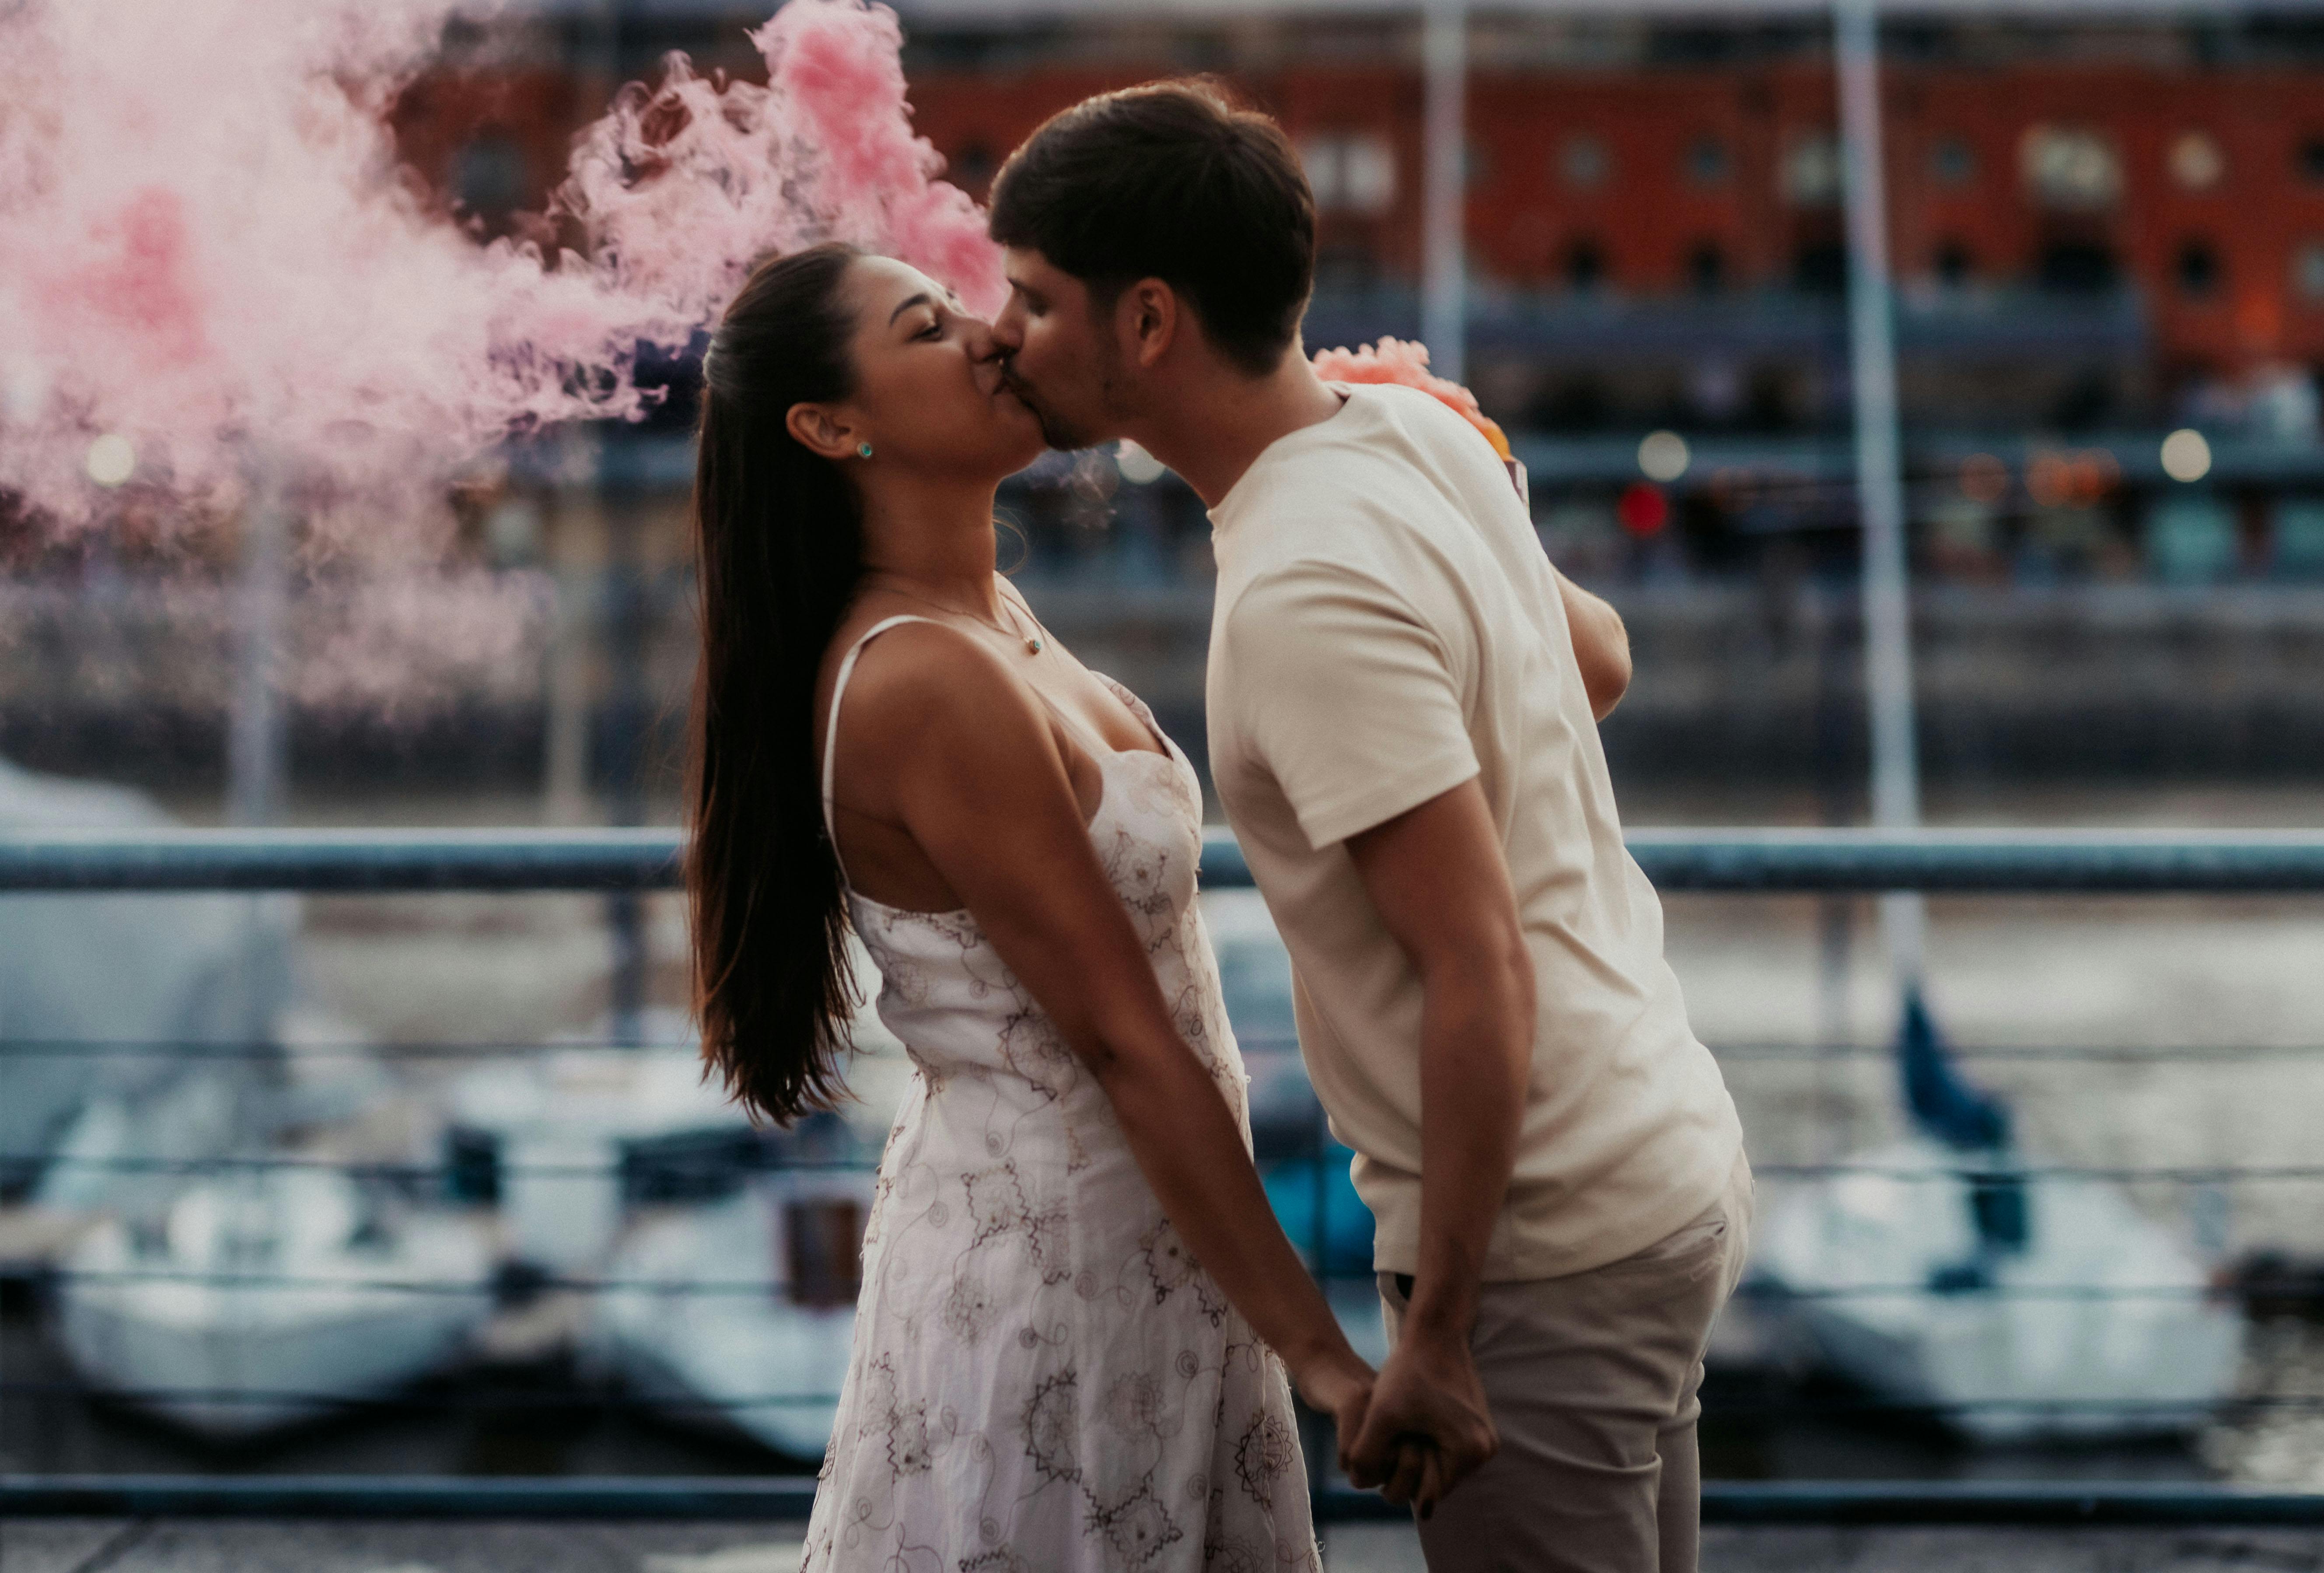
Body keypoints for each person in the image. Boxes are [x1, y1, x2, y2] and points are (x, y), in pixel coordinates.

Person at [986, 82, 1752, 1573]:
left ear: (1147, 324)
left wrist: (1442, 1337)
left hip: (1548, 1242)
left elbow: (1476, 968)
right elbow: (1590, 660)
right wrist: (1473, 483)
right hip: (1655, 1149)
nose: (1003, 333)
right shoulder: (1416, 435)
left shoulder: (1301, 588)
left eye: (1031, 298)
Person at [683, 242, 1384, 1570]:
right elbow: (1122, 1040)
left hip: (1145, 1235)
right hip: (1061, 1267)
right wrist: (1328, 1362)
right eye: (927, 329)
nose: (990, 337)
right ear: (832, 427)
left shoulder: (993, 611)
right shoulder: (923, 680)